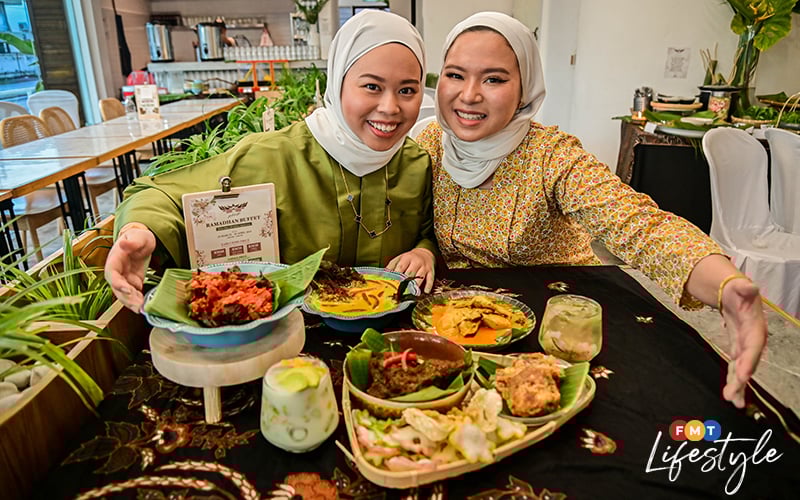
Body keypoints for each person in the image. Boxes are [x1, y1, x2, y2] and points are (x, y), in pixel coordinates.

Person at [415, 12, 767, 409]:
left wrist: (726, 287)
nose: (468, 95)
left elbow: (635, 224)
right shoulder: (432, 143)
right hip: (462, 322)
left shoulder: (551, 156)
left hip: (559, 325)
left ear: (525, 87)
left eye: (494, 79)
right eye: (455, 75)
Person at [106, 10, 436, 313]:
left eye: (407, 90)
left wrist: (424, 252)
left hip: (391, 338)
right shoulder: (272, 156)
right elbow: (159, 194)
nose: (390, 107)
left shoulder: (415, 163)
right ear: (338, 83)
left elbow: (426, 232)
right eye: (372, 86)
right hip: (288, 339)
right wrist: (140, 230)